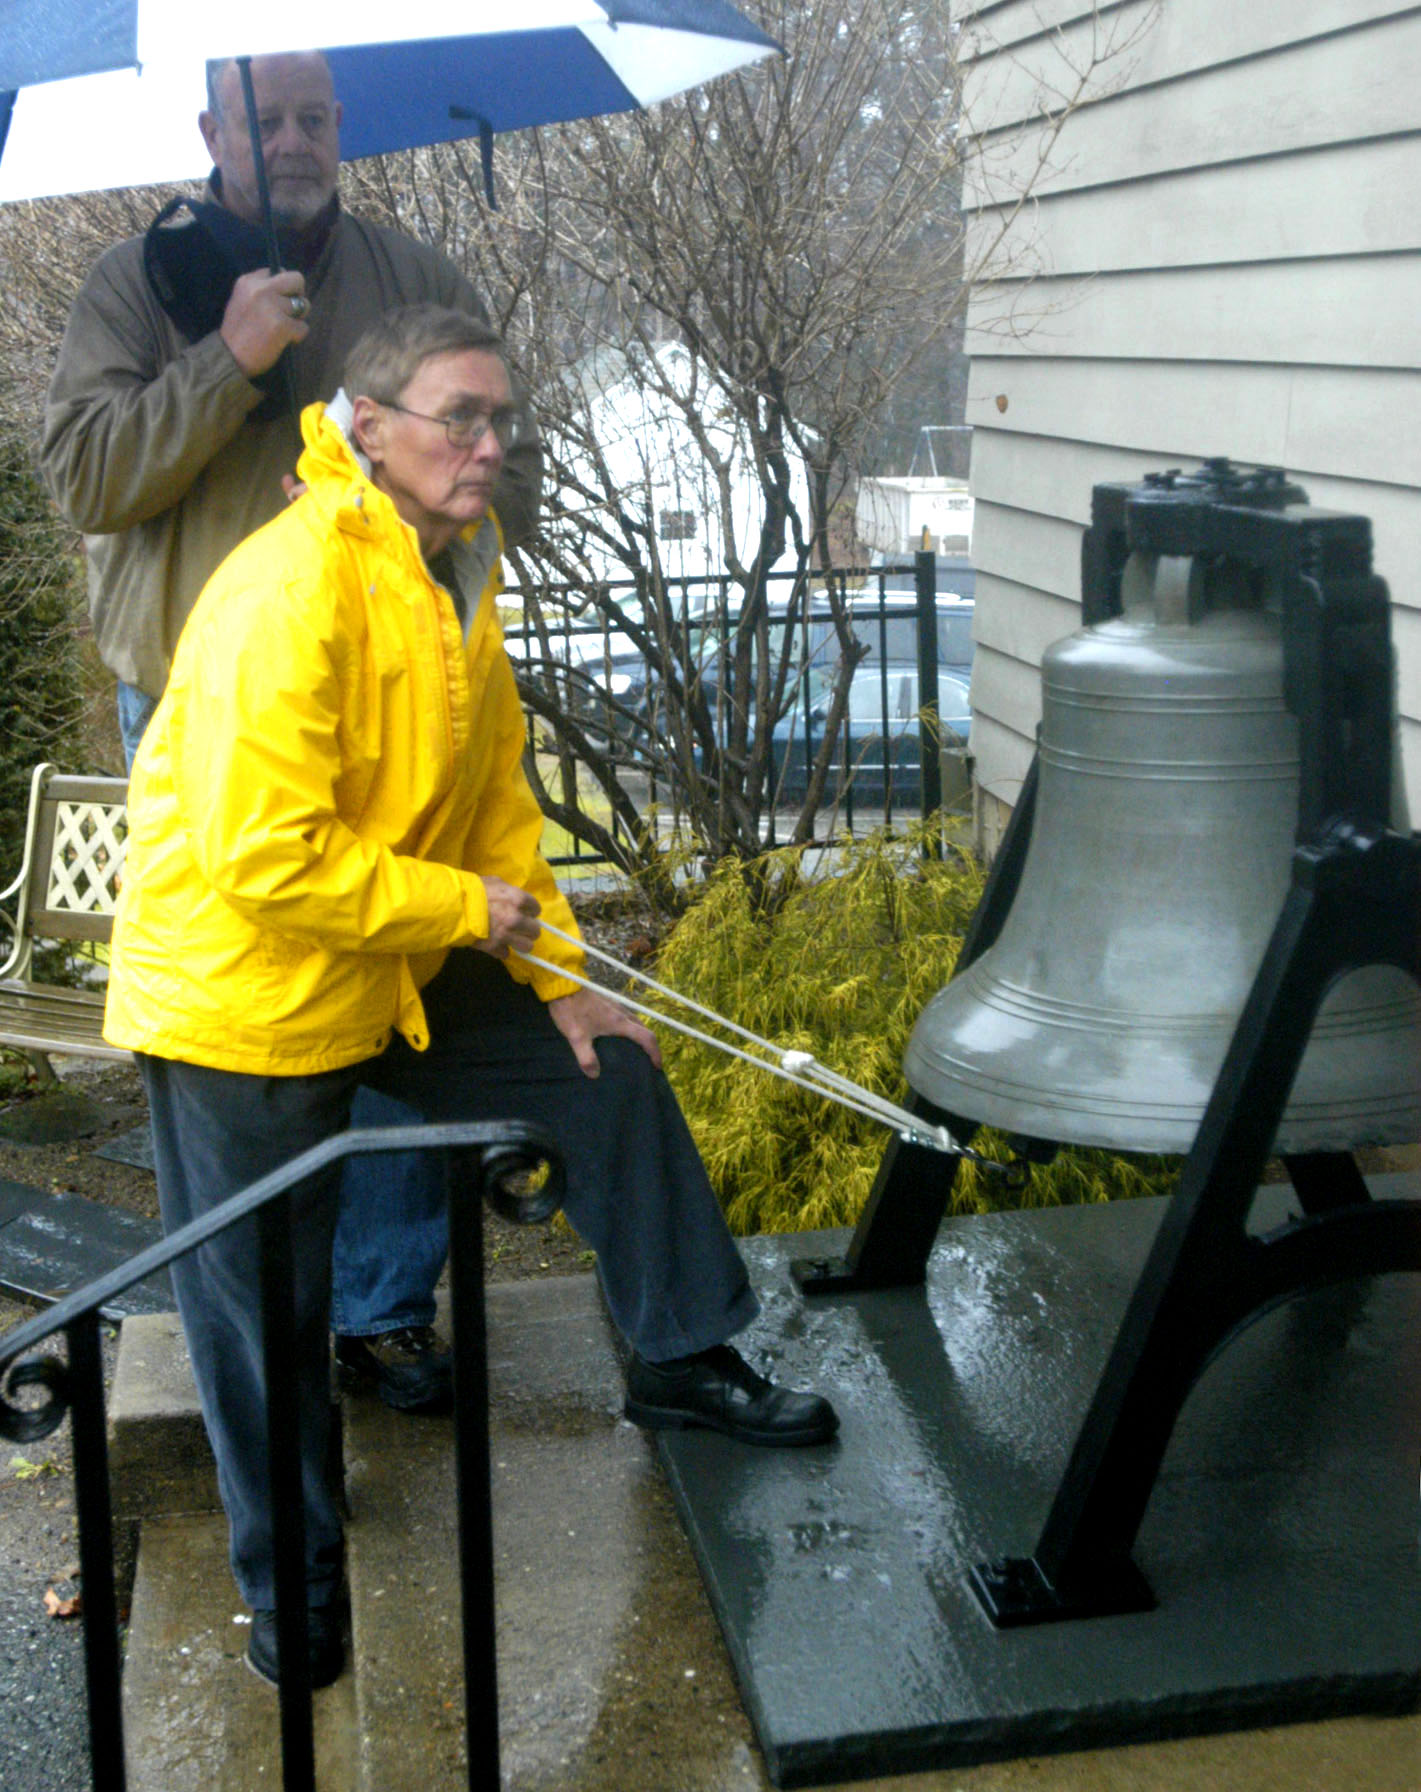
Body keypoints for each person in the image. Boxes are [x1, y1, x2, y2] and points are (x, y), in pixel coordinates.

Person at [103, 304, 839, 1688]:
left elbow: (498, 805)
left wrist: (558, 978)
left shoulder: (452, 574)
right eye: (461, 416)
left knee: (604, 1072)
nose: (489, 443)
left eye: (502, 419)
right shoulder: (288, 591)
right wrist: (462, 913)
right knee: (268, 1313)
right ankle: (296, 1597)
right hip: (242, 994)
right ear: (367, 427)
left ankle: (681, 1355)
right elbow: (263, 859)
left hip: (385, 951)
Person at [40, 51, 539, 1414]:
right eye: (269, 118)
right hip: (204, 706)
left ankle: (377, 1305)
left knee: (400, 989)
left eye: (317, 116)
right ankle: (267, 1324)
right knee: (241, 1020)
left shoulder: (410, 275)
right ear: (215, 130)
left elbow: (505, 446)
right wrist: (227, 360)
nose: (300, 139)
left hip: (392, 710)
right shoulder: (135, 284)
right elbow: (87, 476)